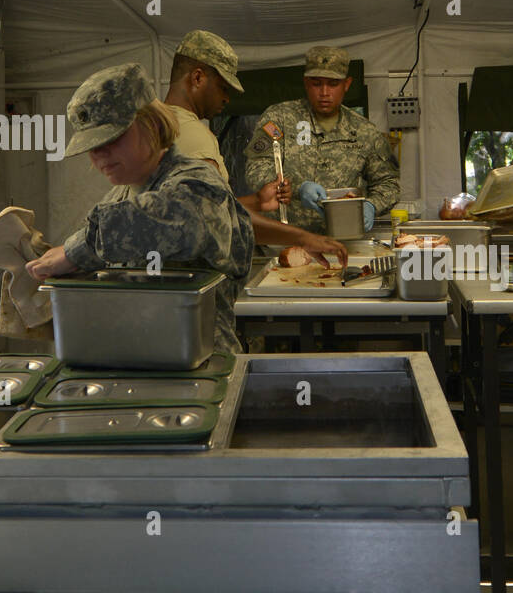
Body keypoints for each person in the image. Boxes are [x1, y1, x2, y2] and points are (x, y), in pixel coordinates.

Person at [25, 63, 255, 355]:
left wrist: (77, 249)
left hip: (200, 368)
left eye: (111, 139)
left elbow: (180, 221)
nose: (99, 155)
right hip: (136, 361)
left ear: (153, 124)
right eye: (91, 146)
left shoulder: (197, 182)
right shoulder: (116, 198)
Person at [166, 30, 348, 265]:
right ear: (198, 78)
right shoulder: (192, 134)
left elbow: (196, 208)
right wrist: (304, 238)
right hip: (191, 277)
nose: (227, 99)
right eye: (223, 87)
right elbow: (219, 218)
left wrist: (258, 201)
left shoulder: (155, 122)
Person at [243, 45, 399, 235]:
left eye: (333, 84)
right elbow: (256, 170)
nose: (324, 92)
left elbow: (389, 183)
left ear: (347, 84)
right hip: (285, 238)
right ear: (306, 83)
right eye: (316, 83)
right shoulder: (280, 118)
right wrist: (297, 189)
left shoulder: (363, 131)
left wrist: (372, 205)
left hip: (340, 239)